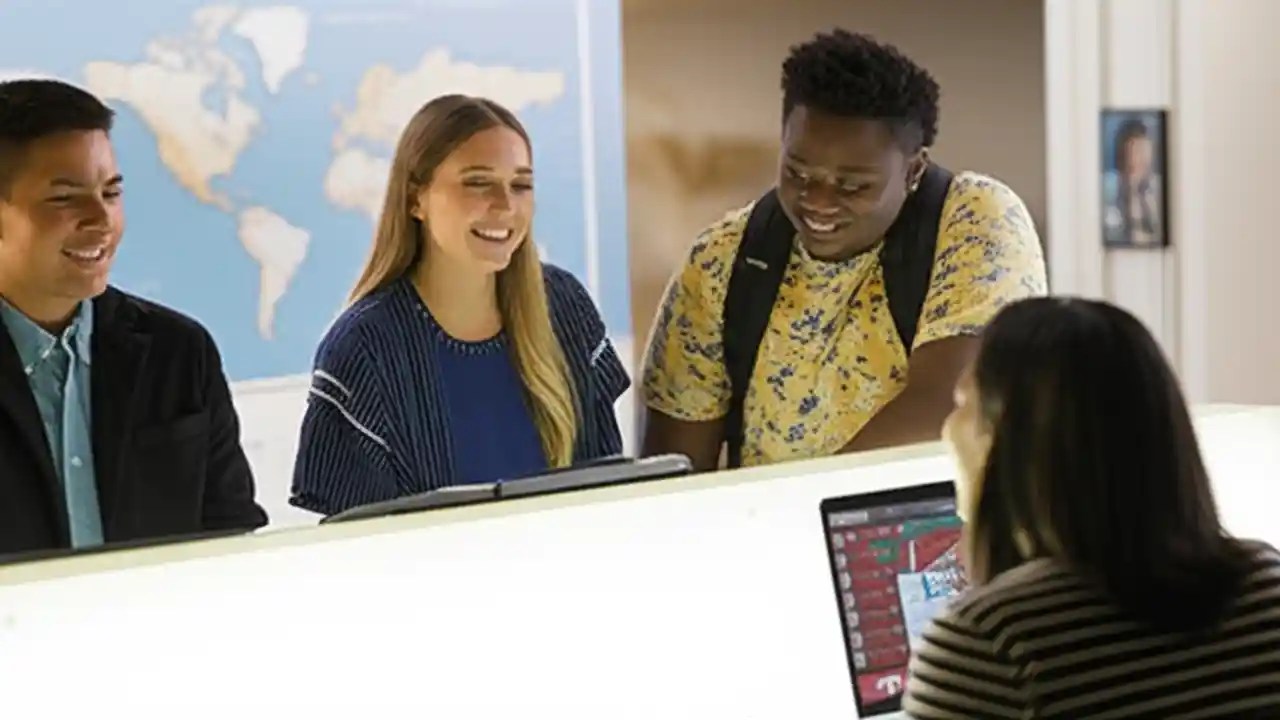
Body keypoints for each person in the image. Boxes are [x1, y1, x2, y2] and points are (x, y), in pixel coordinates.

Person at [640, 29, 1047, 471]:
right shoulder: (722, 260)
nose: (818, 201)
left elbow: (949, 399)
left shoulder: (974, 218)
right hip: (770, 534)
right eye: (798, 173)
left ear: (913, 170)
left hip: (941, 536)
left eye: (852, 185)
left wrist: (810, 512)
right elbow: (674, 469)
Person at [904, 297, 1280, 718]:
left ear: (1003, 442)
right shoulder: (1267, 585)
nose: (946, 429)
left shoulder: (989, 644)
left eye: (961, 403)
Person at [290, 94, 629, 515]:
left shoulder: (566, 308)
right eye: (478, 182)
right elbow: (356, 549)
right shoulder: (363, 348)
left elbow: (610, 497)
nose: (506, 206)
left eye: (521, 185)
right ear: (416, 198)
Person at [0, 78, 267, 557]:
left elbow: (230, 535)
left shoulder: (180, 351)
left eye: (110, 192)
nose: (100, 219)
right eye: (64, 198)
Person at [1102, 117, 1164, 247]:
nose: (1135, 160)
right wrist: (1131, 192)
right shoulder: (1108, 187)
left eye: (1142, 154)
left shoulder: (1158, 189)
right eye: (1131, 154)